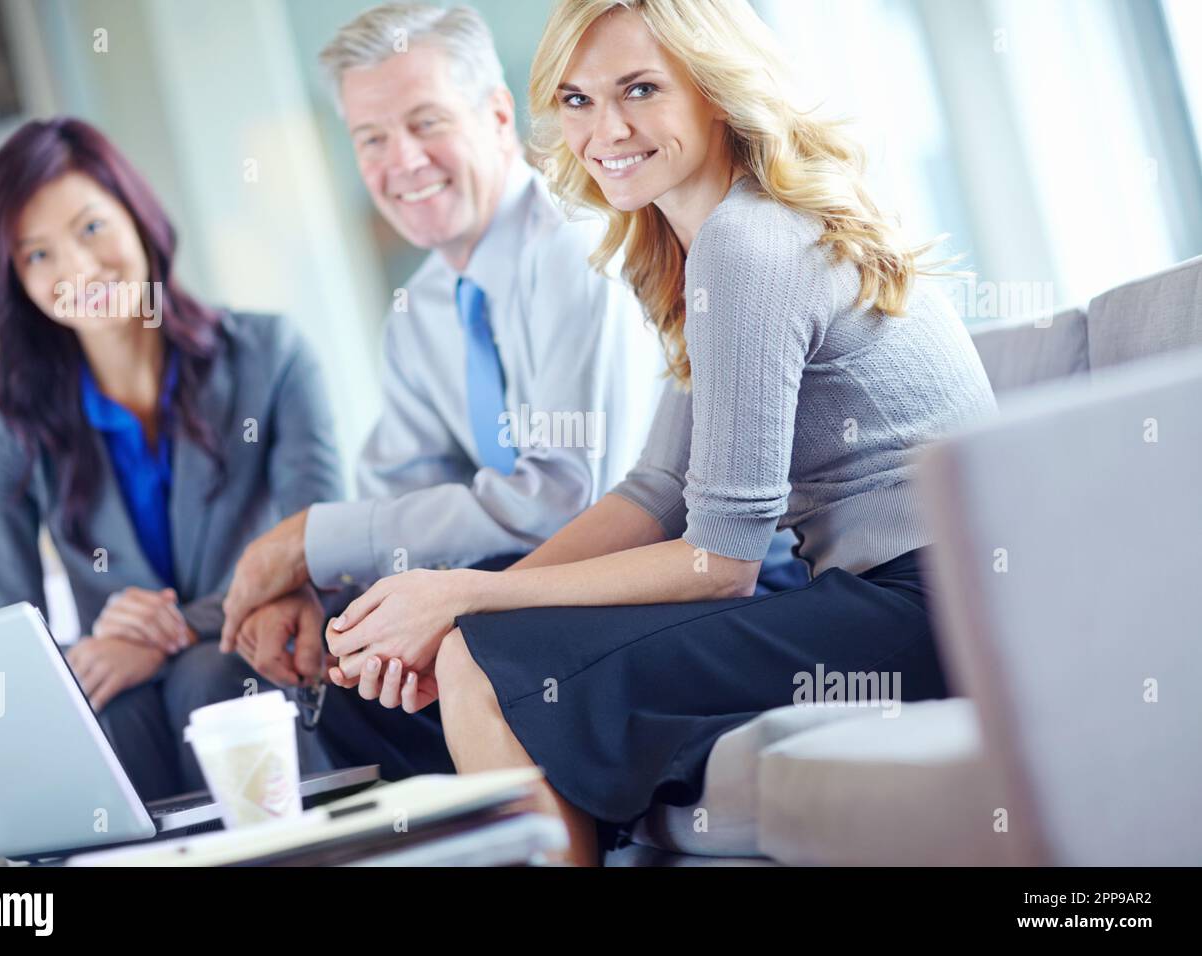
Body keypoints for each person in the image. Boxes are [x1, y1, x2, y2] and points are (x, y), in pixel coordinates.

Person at [322, 0, 999, 865]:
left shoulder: (747, 246)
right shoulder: (700, 246)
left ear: (714, 93)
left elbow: (721, 564)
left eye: (638, 89)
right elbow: (655, 492)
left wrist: (464, 598)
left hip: (935, 609)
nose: (604, 130)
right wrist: (447, 601)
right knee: (473, 647)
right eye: (574, 100)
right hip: (896, 598)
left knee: (485, 661)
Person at [194, 3, 688, 772]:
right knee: (341, 671)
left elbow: (563, 496)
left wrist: (310, 541)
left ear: (496, 116)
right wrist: (322, 594)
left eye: (426, 123)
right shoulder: (421, 308)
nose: (404, 161)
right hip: (526, 591)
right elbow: (399, 507)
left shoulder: (575, 244)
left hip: (627, 581)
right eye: (373, 139)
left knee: (427, 665)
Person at [0, 117, 343, 800]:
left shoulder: (272, 356)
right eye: (37, 255)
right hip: (128, 702)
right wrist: (84, 663)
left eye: (90, 228)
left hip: (258, 666)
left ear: (137, 218)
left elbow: (325, 553)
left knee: (214, 676)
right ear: (15, 279)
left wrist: (166, 635)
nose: (78, 269)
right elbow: (1, 644)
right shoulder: (7, 425)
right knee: (102, 711)